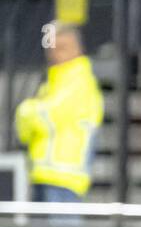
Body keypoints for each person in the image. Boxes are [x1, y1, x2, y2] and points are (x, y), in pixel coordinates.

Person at [14, 23, 103, 204]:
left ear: (77, 49)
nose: (55, 54)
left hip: (66, 180)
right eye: (52, 48)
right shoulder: (54, 82)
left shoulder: (81, 81)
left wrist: (27, 110)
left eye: (62, 48)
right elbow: (24, 131)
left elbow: (45, 116)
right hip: (42, 175)